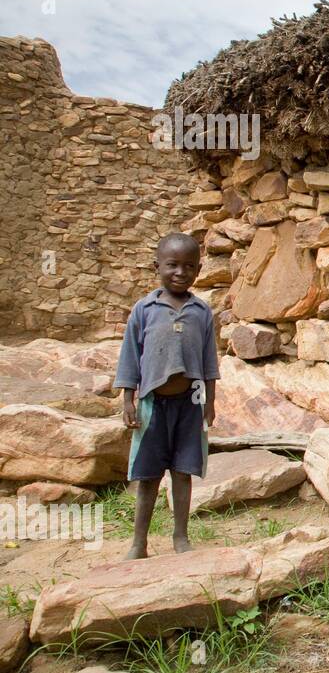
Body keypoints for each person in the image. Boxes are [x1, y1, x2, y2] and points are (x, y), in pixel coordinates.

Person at [113, 233, 219, 559]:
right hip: (151, 405)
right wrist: (127, 399)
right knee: (148, 476)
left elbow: (209, 363)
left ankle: (181, 537)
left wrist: (210, 403)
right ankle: (138, 543)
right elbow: (130, 357)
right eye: (172, 265)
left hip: (190, 405)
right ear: (156, 265)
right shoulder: (144, 310)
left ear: (199, 270)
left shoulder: (201, 313)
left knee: (183, 472)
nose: (180, 272)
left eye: (189, 266)